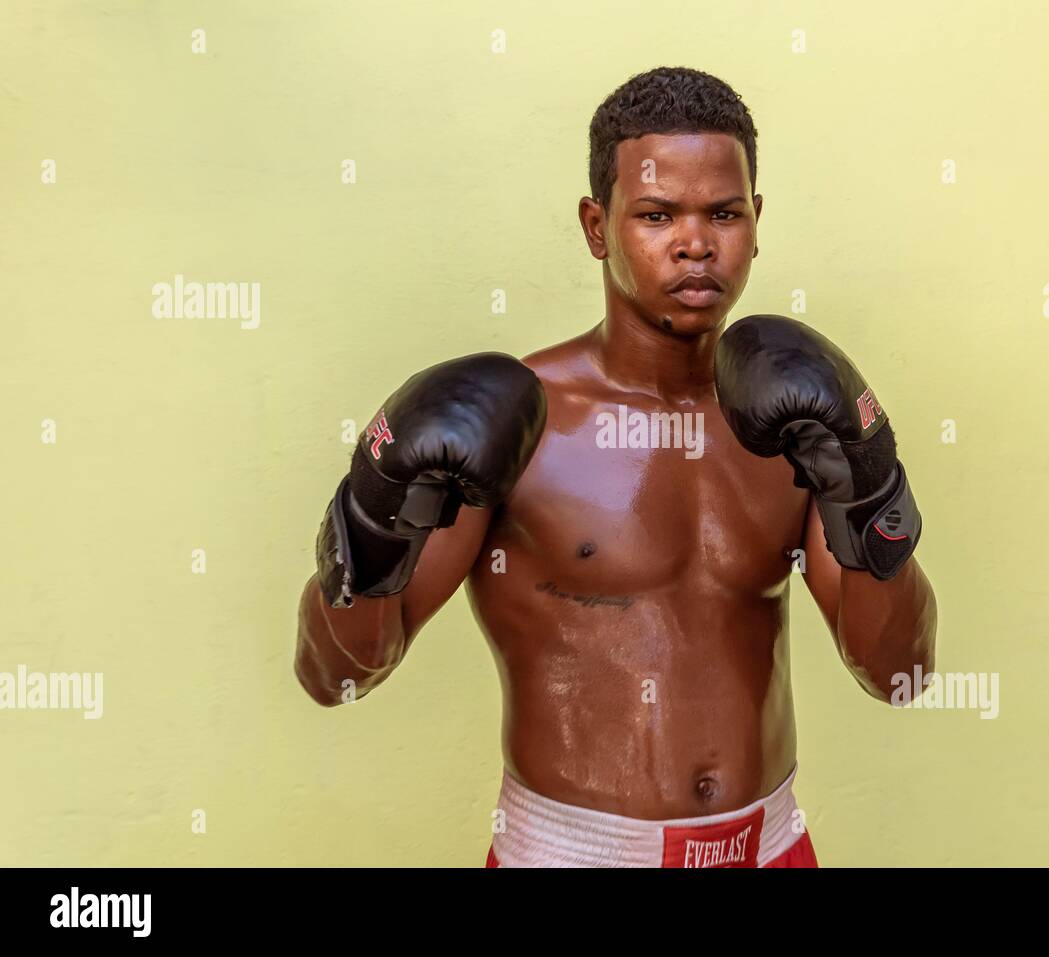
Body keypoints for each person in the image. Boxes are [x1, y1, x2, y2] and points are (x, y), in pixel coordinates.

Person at [295, 66, 937, 868]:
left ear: (756, 221)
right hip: (574, 854)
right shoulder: (520, 427)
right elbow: (334, 676)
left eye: (723, 213)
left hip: (770, 845)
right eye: (658, 214)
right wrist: (372, 512)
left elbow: (901, 676)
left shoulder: (796, 425)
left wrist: (870, 482)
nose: (696, 243)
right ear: (598, 227)